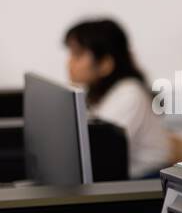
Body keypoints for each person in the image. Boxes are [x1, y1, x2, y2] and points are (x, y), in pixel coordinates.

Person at [64, 19, 170, 178]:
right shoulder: (98, 93)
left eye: (77, 55)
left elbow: (100, 150)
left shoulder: (130, 94)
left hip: (147, 184)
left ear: (105, 64)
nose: (69, 63)